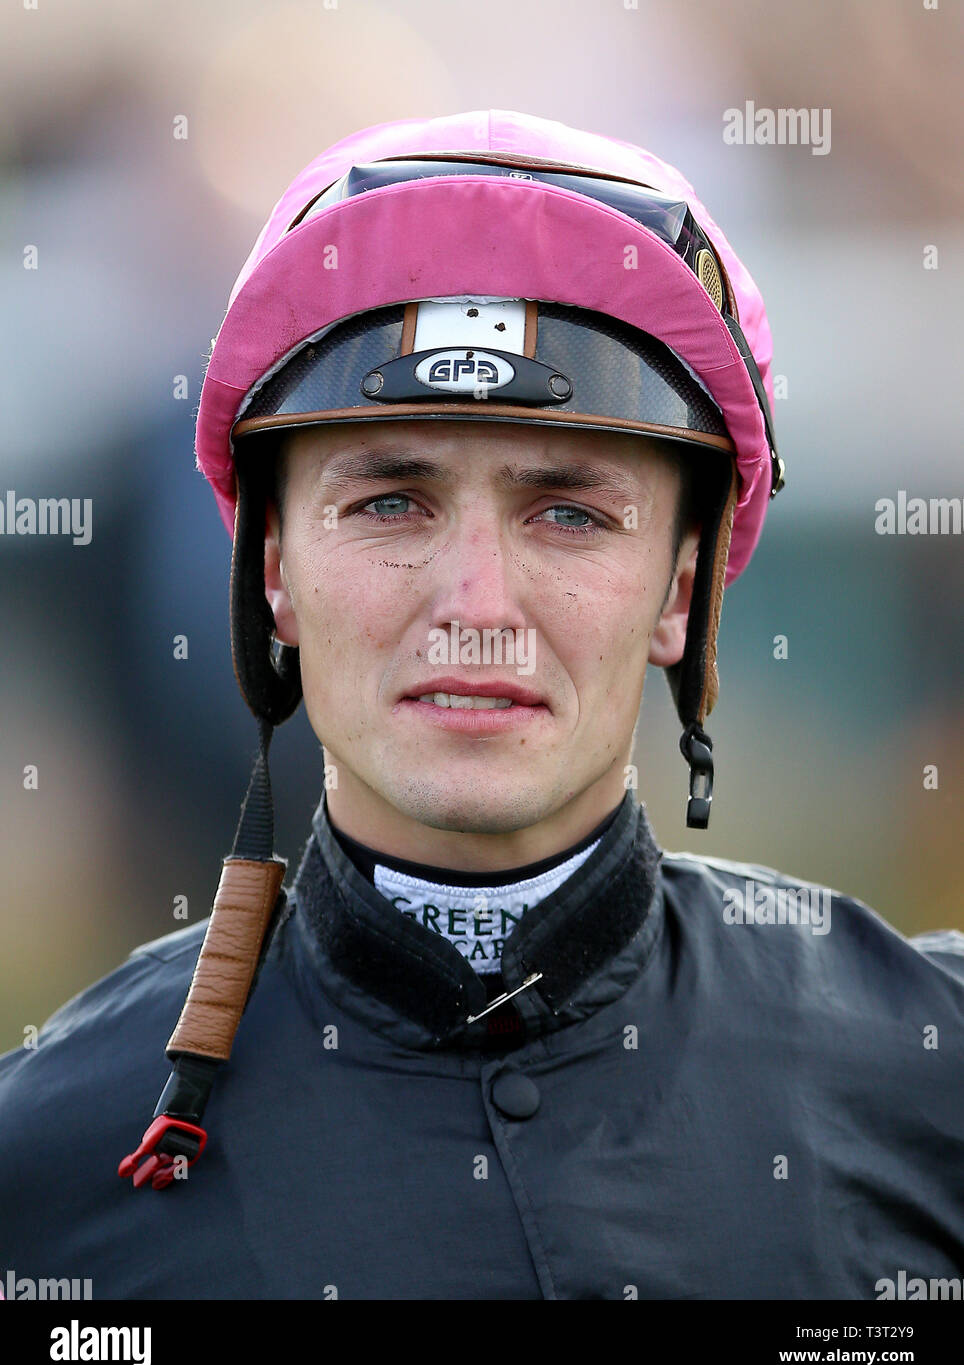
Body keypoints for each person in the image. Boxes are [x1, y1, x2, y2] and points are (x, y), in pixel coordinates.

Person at [1, 110, 962, 1302]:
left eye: (568, 512)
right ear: (274, 572)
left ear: (679, 588)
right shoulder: (40, 1160)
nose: (476, 603)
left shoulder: (932, 1079)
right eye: (392, 502)